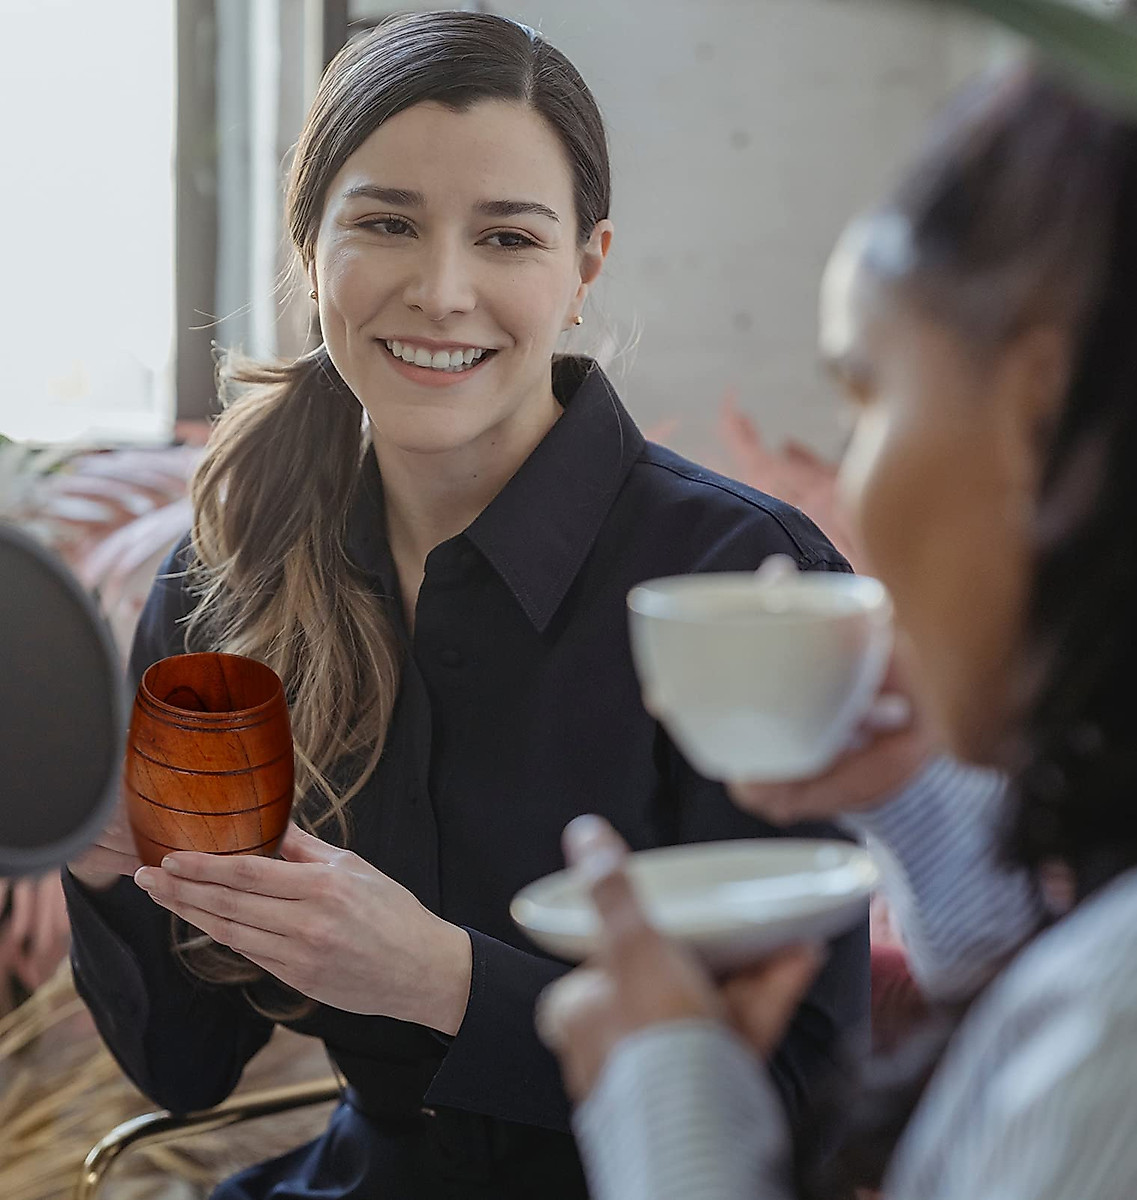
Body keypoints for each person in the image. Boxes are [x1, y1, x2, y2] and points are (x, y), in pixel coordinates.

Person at [60, 12, 875, 1199]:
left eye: (507, 237)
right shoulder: (219, 581)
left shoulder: (749, 583)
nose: (443, 291)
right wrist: (96, 855)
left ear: (585, 268)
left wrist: (442, 977)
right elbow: (185, 1066)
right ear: (311, 248)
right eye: (386, 224)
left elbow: (809, 1093)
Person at [539, 61, 1137, 1200]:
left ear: (1034, 410)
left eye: (866, 392)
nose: (848, 475)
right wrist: (923, 781)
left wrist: (668, 1100)